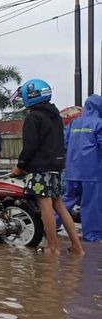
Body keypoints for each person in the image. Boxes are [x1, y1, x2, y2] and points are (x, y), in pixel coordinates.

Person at [10, 79, 84, 255]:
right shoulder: (56, 116)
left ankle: (52, 247)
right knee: (59, 206)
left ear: (30, 96)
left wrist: (20, 167)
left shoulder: (33, 117)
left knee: (45, 206)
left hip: (40, 168)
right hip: (56, 167)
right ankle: (77, 247)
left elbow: (29, 147)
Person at [64, 95, 102, 242]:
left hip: (71, 171)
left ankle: (49, 227)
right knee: (91, 204)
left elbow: (65, 143)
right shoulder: (99, 123)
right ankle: (92, 236)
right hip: (92, 173)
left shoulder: (73, 123)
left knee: (65, 202)